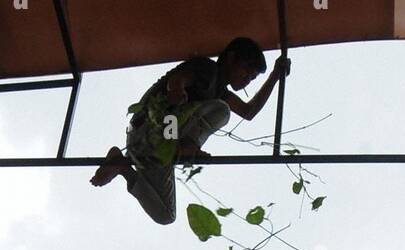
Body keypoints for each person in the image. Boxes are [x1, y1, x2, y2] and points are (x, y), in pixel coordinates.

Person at [91, 38, 290, 225]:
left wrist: (275, 77)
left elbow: (248, 111)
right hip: (155, 128)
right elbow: (178, 80)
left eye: (252, 77)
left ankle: (123, 167)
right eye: (247, 70)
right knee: (221, 110)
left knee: (165, 215)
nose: (248, 79)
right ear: (231, 58)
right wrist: (176, 89)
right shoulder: (208, 70)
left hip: (153, 147)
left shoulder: (220, 90)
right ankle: (186, 146)